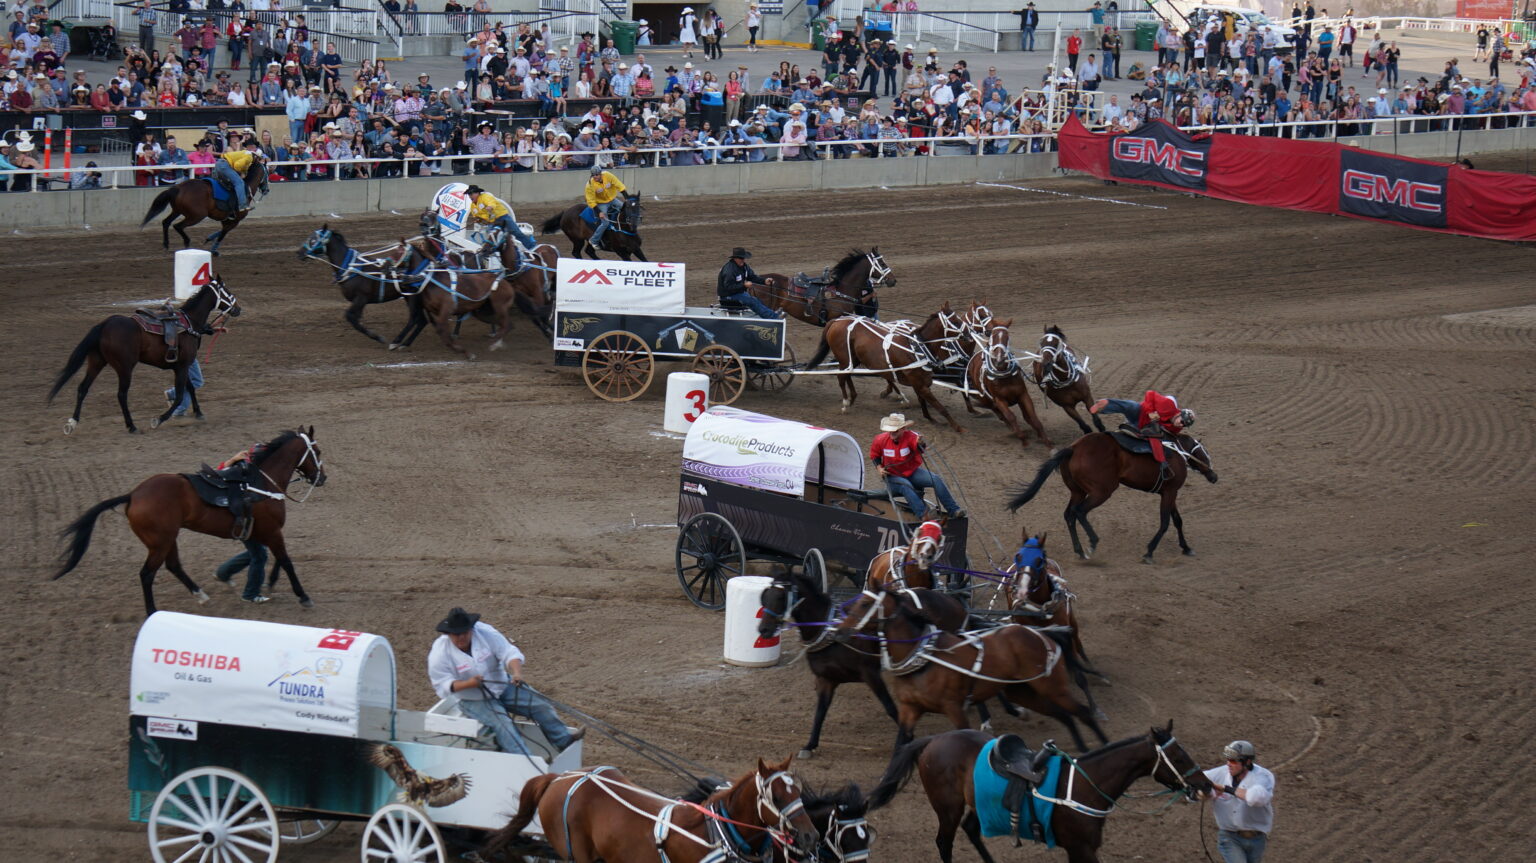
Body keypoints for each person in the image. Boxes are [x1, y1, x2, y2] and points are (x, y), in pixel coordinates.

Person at [427, 607, 585, 756]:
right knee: (504, 727)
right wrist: (470, 684)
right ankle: (525, 763)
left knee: (540, 705)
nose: (461, 637)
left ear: (470, 629)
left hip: (501, 684)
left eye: (464, 632)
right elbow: (444, 685)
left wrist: (516, 673)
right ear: (449, 634)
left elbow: (508, 652)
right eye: (457, 634)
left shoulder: (485, 633)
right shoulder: (439, 653)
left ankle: (564, 741)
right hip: (472, 698)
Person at [870, 413, 965, 520]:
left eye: (895, 430)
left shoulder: (911, 436)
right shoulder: (880, 440)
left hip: (911, 472)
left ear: (903, 429)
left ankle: (953, 510)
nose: (892, 433)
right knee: (905, 485)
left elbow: (919, 447)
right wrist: (879, 468)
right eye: (890, 430)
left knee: (935, 479)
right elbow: (875, 455)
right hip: (892, 476)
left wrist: (920, 443)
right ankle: (924, 515)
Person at [210, 443, 272, 604]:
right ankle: (250, 594)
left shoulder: (242, 467)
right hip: (243, 519)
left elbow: (217, 472)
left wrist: (232, 460)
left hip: (242, 518)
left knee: (258, 552)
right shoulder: (250, 473)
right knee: (260, 555)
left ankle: (223, 573)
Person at [1201, 740, 1276, 863]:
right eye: (1228, 760)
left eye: (1233, 761)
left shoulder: (1263, 777)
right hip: (1229, 837)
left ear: (1247, 762)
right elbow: (1197, 780)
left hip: (1257, 839)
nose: (1228, 764)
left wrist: (1225, 788)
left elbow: (1254, 798)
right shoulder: (1219, 773)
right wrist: (1203, 792)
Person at [1089, 390, 1194, 475]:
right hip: (1140, 413)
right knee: (1130, 406)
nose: (1181, 425)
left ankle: (1159, 462)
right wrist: (1151, 414)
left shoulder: (1176, 428)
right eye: (1182, 421)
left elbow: (1170, 437)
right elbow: (1150, 394)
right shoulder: (1168, 405)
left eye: (1184, 425)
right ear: (1179, 414)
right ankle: (1105, 406)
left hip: (1144, 428)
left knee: (1154, 439)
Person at [463, 184, 535, 266]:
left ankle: (532, 248)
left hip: (502, 217)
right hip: (492, 223)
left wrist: (490, 207)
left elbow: (491, 203)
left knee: (516, 232)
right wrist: (479, 220)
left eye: (471, 194)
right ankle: (490, 259)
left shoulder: (485, 197)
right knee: (491, 240)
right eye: (469, 194)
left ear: (477, 193)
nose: (470, 196)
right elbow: (478, 216)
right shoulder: (473, 206)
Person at [716, 247, 782, 319]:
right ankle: (774, 317)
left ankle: (770, 314)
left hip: (738, 293)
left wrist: (764, 281)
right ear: (735, 258)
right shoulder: (729, 270)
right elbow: (728, 287)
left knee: (757, 300)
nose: (743, 260)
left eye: (744, 258)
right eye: (741, 258)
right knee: (752, 301)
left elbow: (752, 277)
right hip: (727, 297)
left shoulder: (744, 267)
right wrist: (743, 285)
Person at [214, 135, 262, 212]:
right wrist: (241, 172)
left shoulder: (246, 153)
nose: (257, 160)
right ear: (256, 156)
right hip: (224, 165)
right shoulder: (249, 157)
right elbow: (237, 166)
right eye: (258, 158)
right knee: (239, 183)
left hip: (220, 163)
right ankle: (242, 205)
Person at [583, 164, 625, 251]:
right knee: (605, 223)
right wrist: (599, 212)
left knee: (624, 208)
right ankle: (594, 240)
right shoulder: (590, 185)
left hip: (612, 199)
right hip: (601, 203)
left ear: (601, 174)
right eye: (593, 175)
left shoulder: (608, 175)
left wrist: (627, 198)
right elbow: (590, 200)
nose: (595, 177)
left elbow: (619, 184)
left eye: (597, 174)